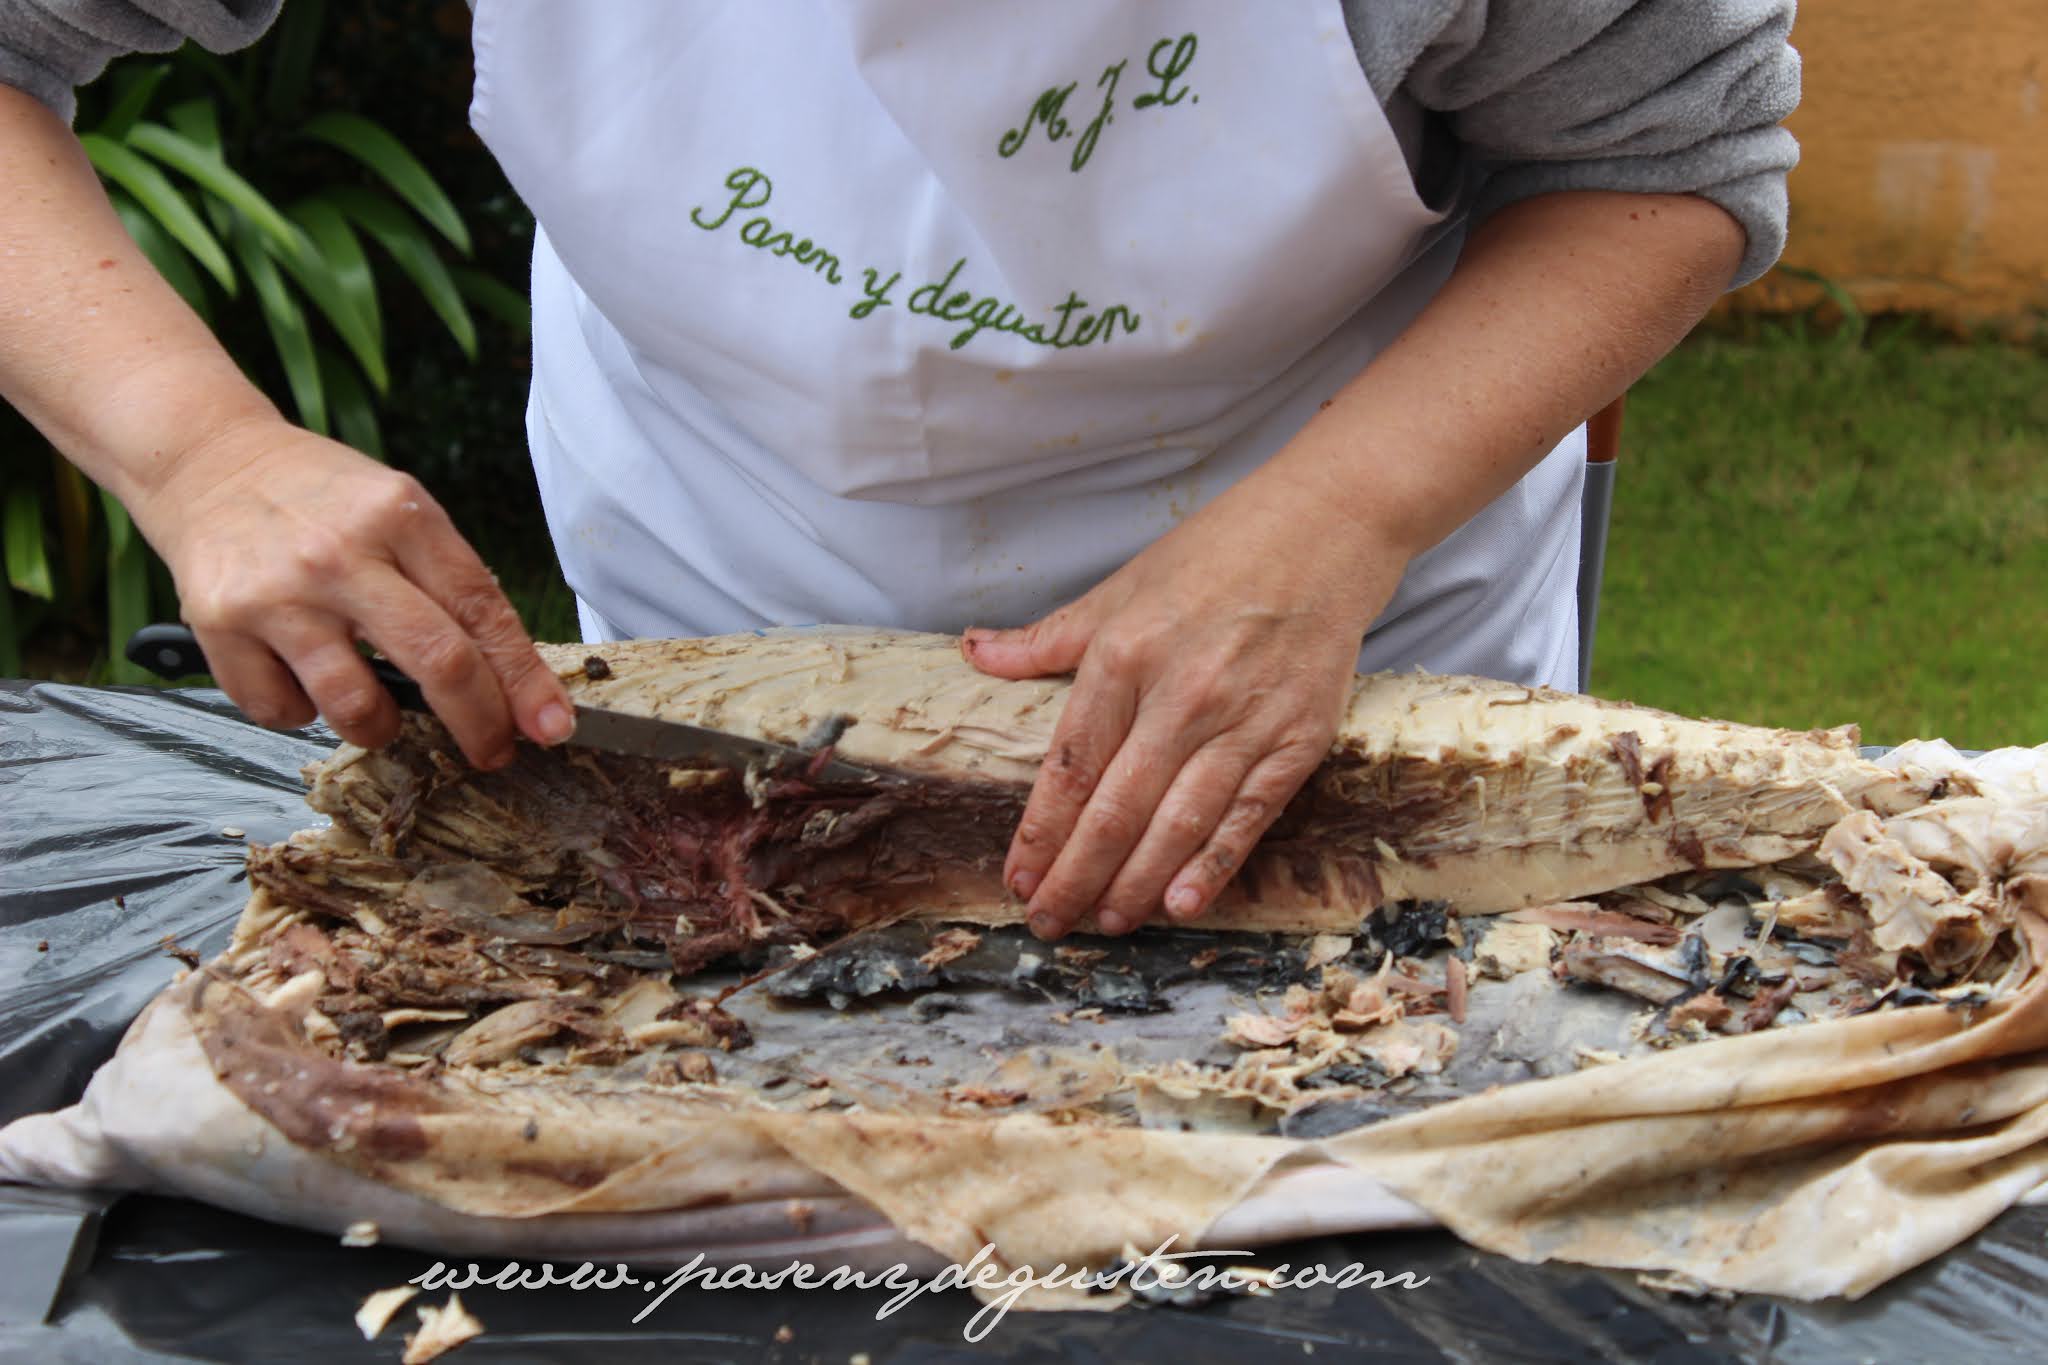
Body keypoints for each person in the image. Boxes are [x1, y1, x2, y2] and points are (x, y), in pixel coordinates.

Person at [0, 1, 1798, 941]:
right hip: (728, 598)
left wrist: (1336, 518)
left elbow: (1664, 156)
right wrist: (199, 449)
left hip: (1342, 622)